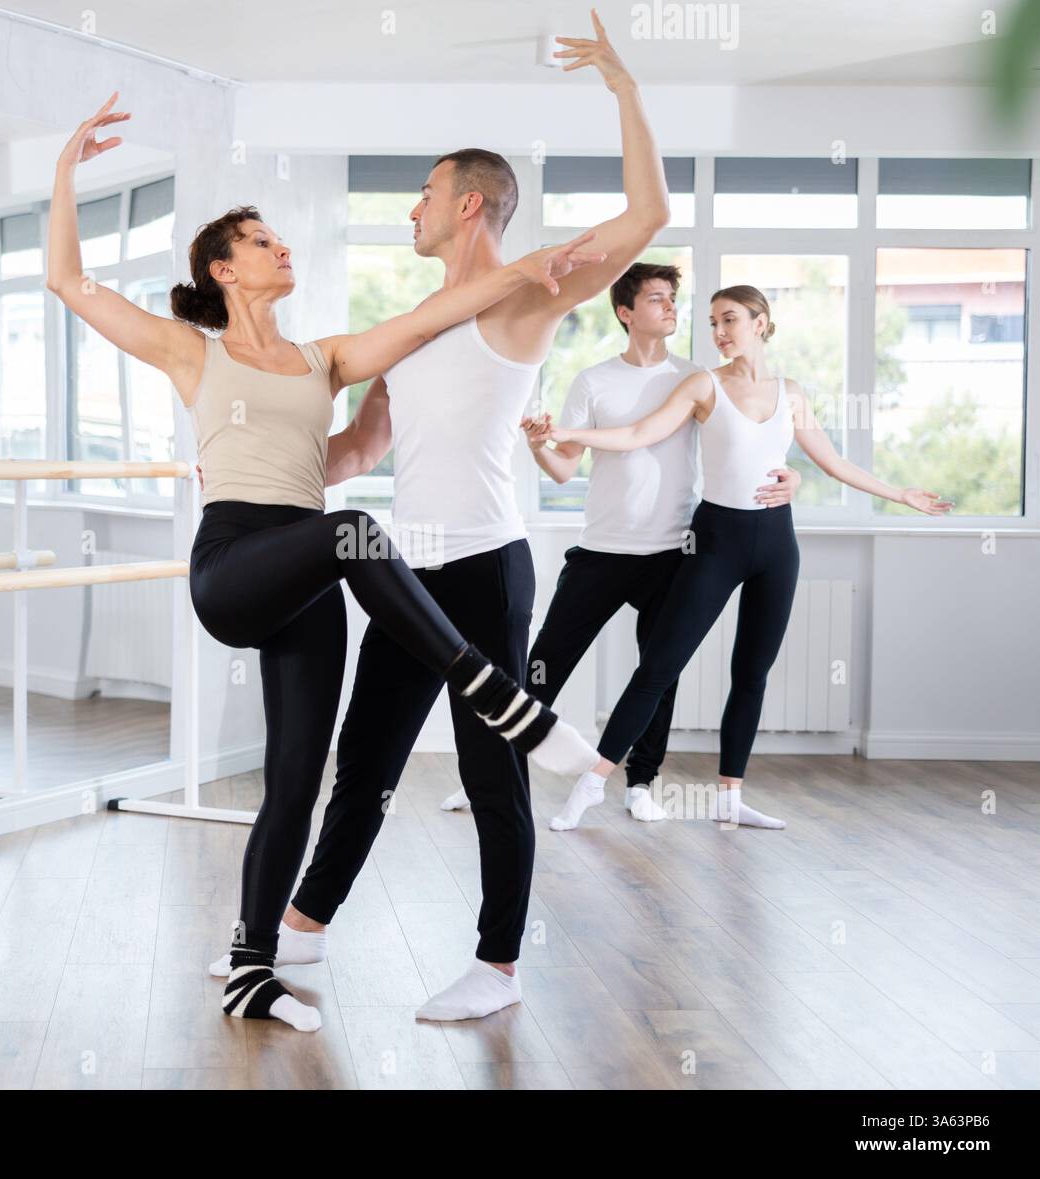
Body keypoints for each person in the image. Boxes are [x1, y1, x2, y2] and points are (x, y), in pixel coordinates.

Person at [47, 93, 608, 1031]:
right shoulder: (192, 350)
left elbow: (437, 317)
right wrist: (67, 169)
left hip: (311, 580)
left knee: (298, 778)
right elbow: (69, 280)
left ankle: (251, 969)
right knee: (353, 529)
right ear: (223, 269)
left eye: (283, 241)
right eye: (263, 242)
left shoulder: (326, 357)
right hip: (237, 565)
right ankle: (495, 693)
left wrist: (529, 274)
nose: (283, 250)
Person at [223, 9, 671, 1024]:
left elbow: (645, 217)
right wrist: (248, 471)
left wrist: (623, 89)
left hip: (480, 566)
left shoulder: (525, 297)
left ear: (469, 204)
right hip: (405, 570)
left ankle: (498, 966)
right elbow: (359, 452)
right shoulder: (415, 325)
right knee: (365, 768)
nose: (408, 211)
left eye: (421, 194)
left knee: (489, 766)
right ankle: (301, 934)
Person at [545, 283, 952, 832]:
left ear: (760, 322)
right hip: (715, 542)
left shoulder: (791, 392)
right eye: (713, 321)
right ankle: (593, 784)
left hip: (777, 545)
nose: (718, 331)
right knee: (659, 668)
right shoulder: (701, 385)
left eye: (730, 319)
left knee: (752, 674)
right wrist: (564, 432)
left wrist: (900, 494)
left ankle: (730, 797)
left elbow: (832, 462)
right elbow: (640, 432)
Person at [436, 262, 799, 822]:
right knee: (543, 667)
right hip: (602, 551)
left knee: (659, 673)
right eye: (658, 299)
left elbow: (753, 444)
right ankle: (486, 776)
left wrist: (791, 477)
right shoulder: (594, 380)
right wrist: (540, 443)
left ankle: (641, 785)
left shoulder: (699, 378)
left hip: (673, 551)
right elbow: (563, 469)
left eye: (674, 299)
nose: (671, 308)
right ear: (626, 313)